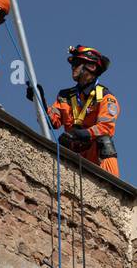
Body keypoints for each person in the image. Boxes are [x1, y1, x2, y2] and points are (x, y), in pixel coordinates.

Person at [48, 45, 120, 176]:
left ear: (91, 67)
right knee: (62, 142)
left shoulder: (105, 97)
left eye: (76, 63)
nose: (72, 67)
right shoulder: (65, 96)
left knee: (105, 142)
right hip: (72, 149)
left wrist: (82, 133)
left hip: (93, 153)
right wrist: (38, 99)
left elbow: (106, 128)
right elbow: (53, 122)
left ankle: (111, 186)